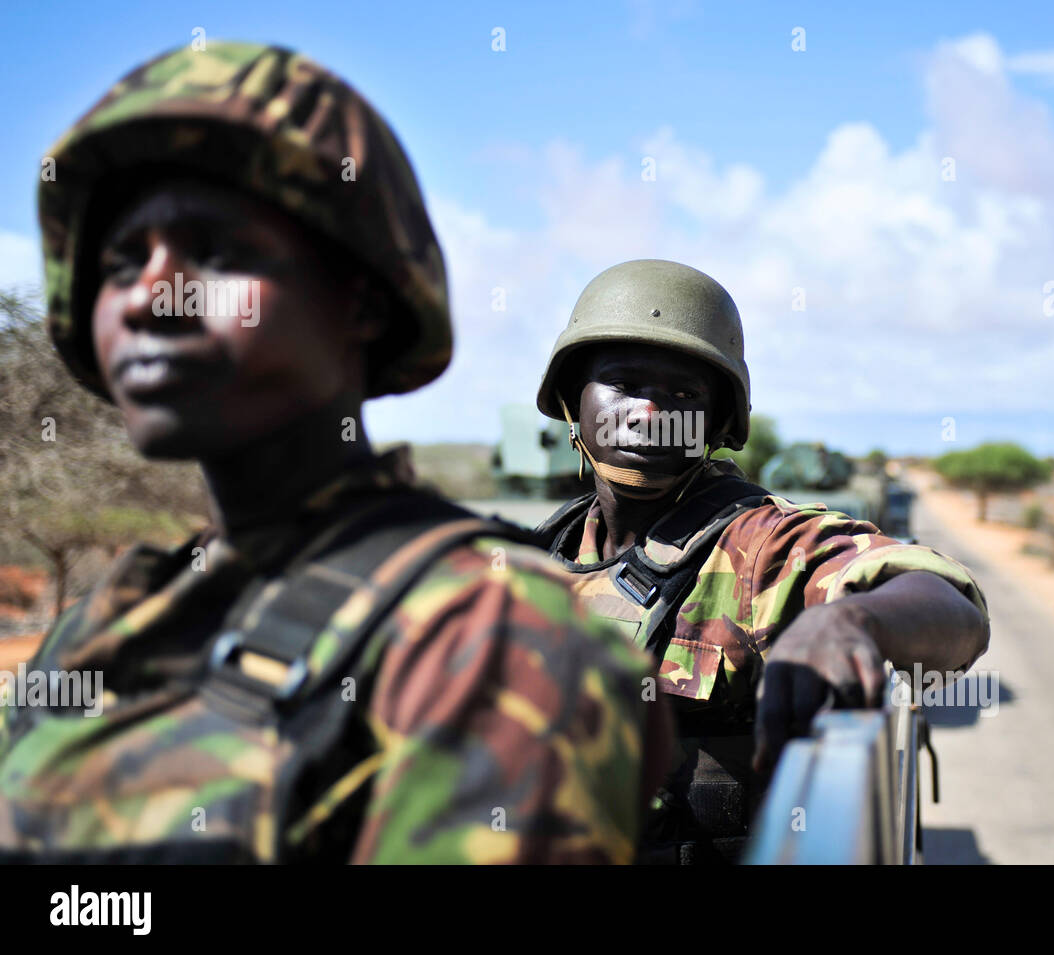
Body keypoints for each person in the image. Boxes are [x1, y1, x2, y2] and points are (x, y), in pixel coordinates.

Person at [0, 42, 666, 864]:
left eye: (213, 251)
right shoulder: (104, 623)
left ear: (360, 301)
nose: (149, 293)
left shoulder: (492, 641)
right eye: (120, 261)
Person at [533, 259, 992, 863]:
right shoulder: (540, 553)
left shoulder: (762, 545)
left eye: (684, 393)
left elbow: (951, 602)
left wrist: (851, 622)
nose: (650, 411)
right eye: (623, 383)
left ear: (718, 420)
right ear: (574, 401)